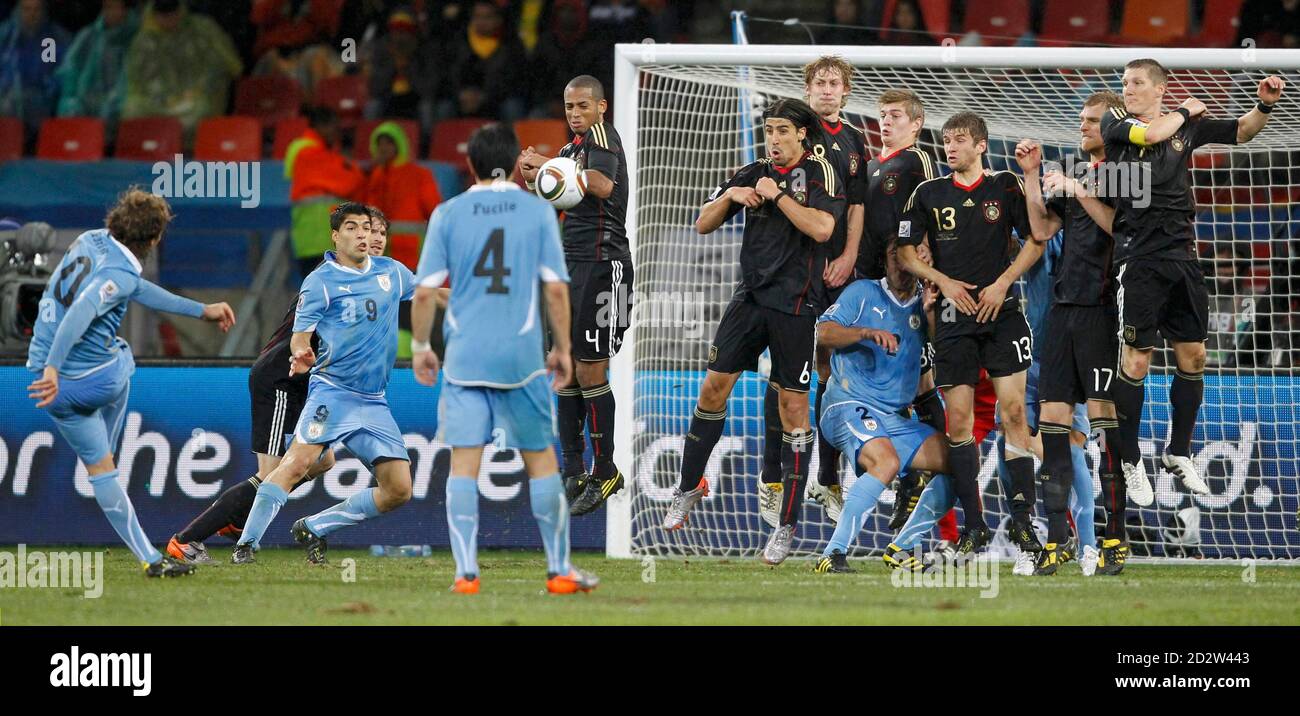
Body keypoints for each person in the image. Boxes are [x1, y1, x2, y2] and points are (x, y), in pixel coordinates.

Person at [410, 123, 598, 595]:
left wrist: (420, 347)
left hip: (466, 356)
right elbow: (556, 286)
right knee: (541, 463)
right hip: (520, 359)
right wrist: (563, 348)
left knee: (463, 466)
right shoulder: (537, 211)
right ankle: (558, 571)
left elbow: (426, 290)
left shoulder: (447, 213)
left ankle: (466, 574)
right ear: (516, 162)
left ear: (469, 165)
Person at [661, 98, 843, 566]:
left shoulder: (820, 173)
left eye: (783, 130)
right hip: (750, 300)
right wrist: (730, 197)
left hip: (796, 306)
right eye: (770, 130)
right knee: (712, 387)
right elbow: (701, 224)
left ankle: (786, 525)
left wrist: (777, 196)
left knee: (792, 408)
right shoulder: (752, 170)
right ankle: (688, 486)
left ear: (803, 134)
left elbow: (823, 229)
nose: (775, 139)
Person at [25, 188, 235, 577]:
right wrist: (57, 365)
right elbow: (85, 309)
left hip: (45, 385)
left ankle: (151, 559)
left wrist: (202, 310)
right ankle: (113, 438)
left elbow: (137, 291)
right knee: (121, 354)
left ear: (114, 220)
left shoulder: (89, 239)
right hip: (89, 379)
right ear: (154, 239)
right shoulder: (117, 275)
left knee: (102, 474)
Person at [1101, 59, 1283, 505]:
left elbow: (1242, 132)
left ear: (1159, 88)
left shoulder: (1186, 128)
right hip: (1139, 258)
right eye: (1125, 83)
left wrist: (1264, 105)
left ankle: (1178, 452)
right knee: (1138, 361)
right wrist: (1185, 111)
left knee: (1195, 355)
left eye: (1137, 83)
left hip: (1183, 256)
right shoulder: (1116, 122)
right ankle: (1129, 460)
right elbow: (1153, 134)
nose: (1128, 89)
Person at [166, 206, 390, 564]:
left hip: (306, 386)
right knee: (270, 475)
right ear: (341, 236)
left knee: (322, 461)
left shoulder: (374, 280)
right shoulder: (332, 277)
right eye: (364, 230)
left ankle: (239, 518)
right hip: (281, 380)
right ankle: (187, 540)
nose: (372, 238)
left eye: (378, 231)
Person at [896, 111, 1047, 558]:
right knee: (958, 424)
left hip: (1002, 313)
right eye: (946, 140)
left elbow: (1036, 239)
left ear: (981, 145)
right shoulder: (928, 193)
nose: (950, 147)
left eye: (960, 139)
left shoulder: (1004, 185)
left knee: (1014, 414)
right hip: (952, 316)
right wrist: (940, 280)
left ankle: (1022, 524)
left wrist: (1003, 283)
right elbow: (905, 252)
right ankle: (975, 526)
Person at [230, 202, 415, 565]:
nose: (363, 234)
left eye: (367, 227)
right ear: (335, 235)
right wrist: (300, 353)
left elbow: (427, 293)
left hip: (374, 401)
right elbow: (302, 335)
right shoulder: (320, 281)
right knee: (296, 465)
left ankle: (315, 526)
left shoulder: (392, 272)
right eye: (352, 227)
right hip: (332, 393)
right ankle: (246, 545)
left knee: (399, 489)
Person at [1016, 91, 1129, 575]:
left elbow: (1120, 229)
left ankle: (1116, 537)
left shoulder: (1128, 175)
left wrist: (1079, 188)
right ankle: (1058, 541)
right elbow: (1041, 231)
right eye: (1081, 120)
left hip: (1102, 312)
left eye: (1092, 121)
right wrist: (1030, 176)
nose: (1082, 127)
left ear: (1114, 129)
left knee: (1107, 425)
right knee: (1054, 425)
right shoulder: (1074, 174)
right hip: (1061, 313)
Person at [518, 75, 634, 516]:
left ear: (601, 107)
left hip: (605, 266)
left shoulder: (602, 137)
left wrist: (548, 163)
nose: (575, 114)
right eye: (569, 107)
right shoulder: (570, 151)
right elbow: (555, 196)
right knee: (564, 369)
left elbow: (601, 185)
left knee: (589, 369)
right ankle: (571, 470)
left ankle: (606, 470)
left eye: (583, 106)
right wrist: (536, 176)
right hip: (569, 266)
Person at [812, 240, 951, 574]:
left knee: (961, 461)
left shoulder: (927, 302)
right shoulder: (862, 292)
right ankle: (833, 553)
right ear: (886, 260)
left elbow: (945, 353)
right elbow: (821, 332)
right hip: (846, 403)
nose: (902, 265)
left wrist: (932, 314)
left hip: (893, 418)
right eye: (895, 257)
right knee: (885, 461)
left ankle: (901, 549)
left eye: (912, 257)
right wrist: (864, 333)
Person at [120, 0, 242, 136]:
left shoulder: (203, 29)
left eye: (173, 14)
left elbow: (223, 65)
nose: (169, 20)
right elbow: (137, 78)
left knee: (200, 111)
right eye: (163, 16)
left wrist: (198, 89)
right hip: (157, 101)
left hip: (195, 98)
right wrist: (163, 97)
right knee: (132, 109)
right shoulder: (144, 39)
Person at [285, 105, 367, 278]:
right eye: (334, 127)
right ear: (321, 126)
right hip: (320, 242)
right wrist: (356, 171)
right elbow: (349, 183)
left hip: (312, 243)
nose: (337, 133)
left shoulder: (309, 153)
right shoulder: (312, 153)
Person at [55, 0, 138, 125]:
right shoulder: (89, 35)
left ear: (125, 10)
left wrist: (116, 99)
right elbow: (71, 67)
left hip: (120, 100)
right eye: (107, 7)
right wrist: (71, 97)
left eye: (116, 8)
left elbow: (132, 77)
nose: (111, 13)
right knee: (69, 109)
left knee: (119, 110)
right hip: (87, 98)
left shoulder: (136, 38)